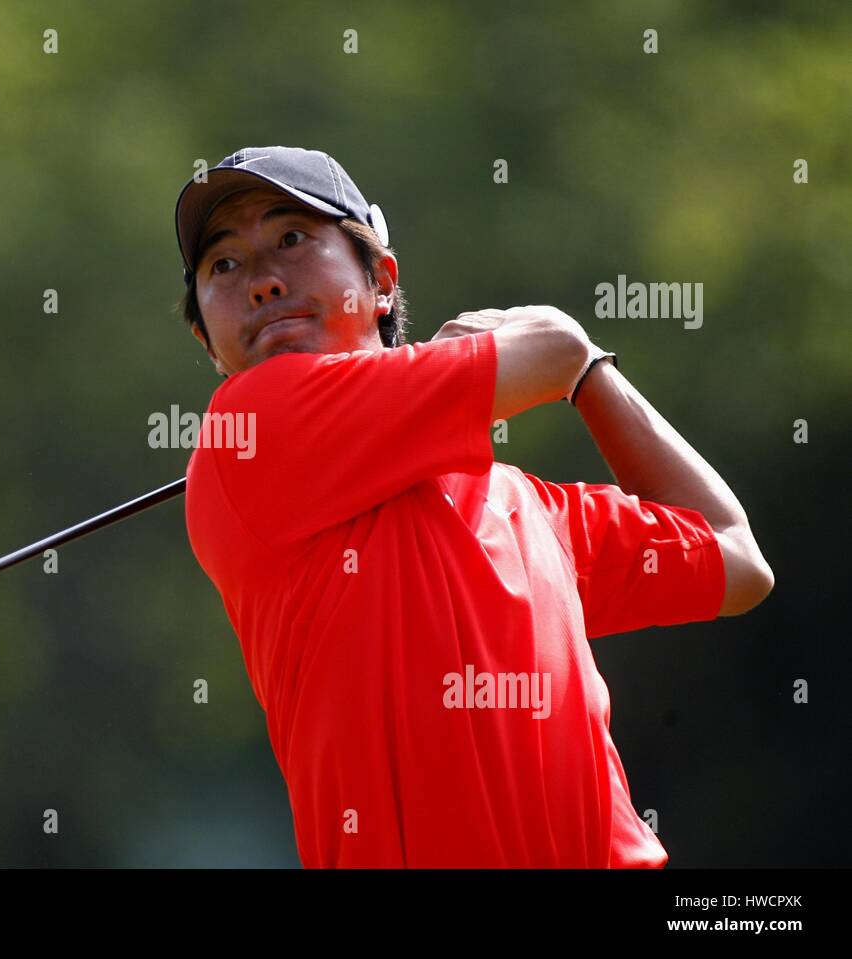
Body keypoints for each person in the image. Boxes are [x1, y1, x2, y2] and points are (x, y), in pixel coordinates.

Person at [173, 146, 775, 867]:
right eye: (224, 266)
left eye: (292, 238)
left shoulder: (528, 506)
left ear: (383, 281)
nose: (263, 282)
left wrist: (591, 376)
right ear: (209, 345)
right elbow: (551, 347)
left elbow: (736, 559)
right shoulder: (249, 428)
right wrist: (569, 355)